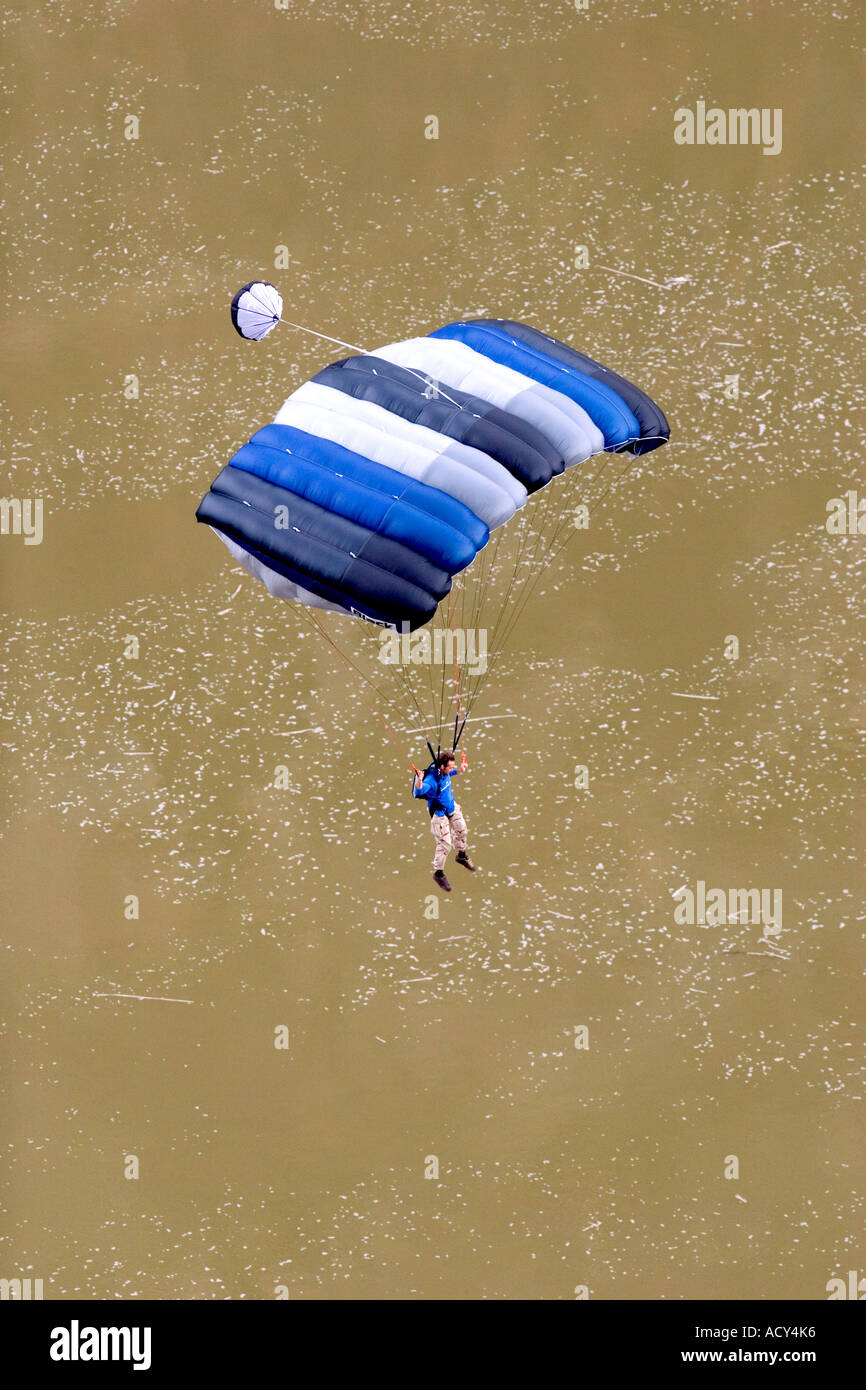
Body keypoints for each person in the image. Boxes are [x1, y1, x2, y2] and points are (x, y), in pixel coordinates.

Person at [413, 748, 475, 891]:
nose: (451, 769)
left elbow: (451, 773)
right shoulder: (431, 781)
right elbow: (419, 791)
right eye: (450, 767)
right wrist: (419, 780)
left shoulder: (445, 773)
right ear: (442, 767)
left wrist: (459, 769)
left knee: (462, 829)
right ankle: (438, 874)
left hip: (451, 807)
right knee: (445, 844)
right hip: (439, 814)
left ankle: (461, 856)